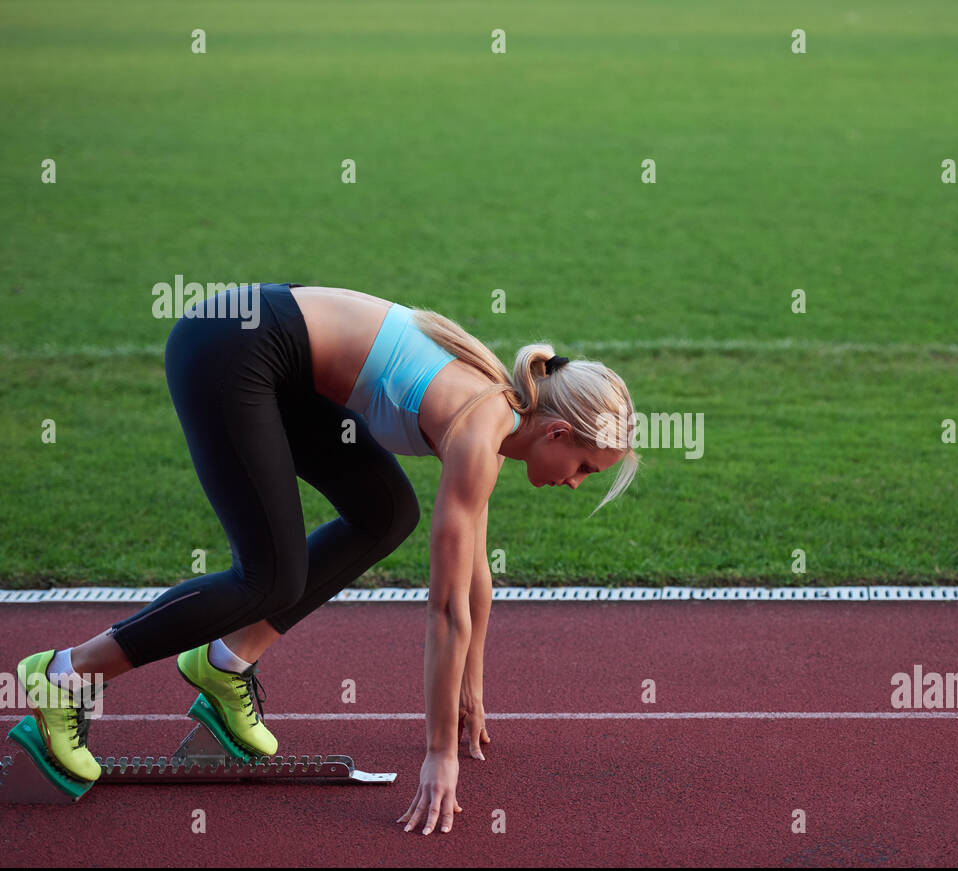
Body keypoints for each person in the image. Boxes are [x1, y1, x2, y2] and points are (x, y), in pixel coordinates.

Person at [15, 282, 638, 836]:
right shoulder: (480, 432)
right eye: (584, 467)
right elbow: (445, 611)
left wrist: (471, 692)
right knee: (269, 577)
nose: (577, 482)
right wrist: (437, 752)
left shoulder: (500, 419)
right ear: (557, 434)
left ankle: (223, 661)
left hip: (278, 368)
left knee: (386, 514)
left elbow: (476, 582)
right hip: (230, 349)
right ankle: (67, 674)